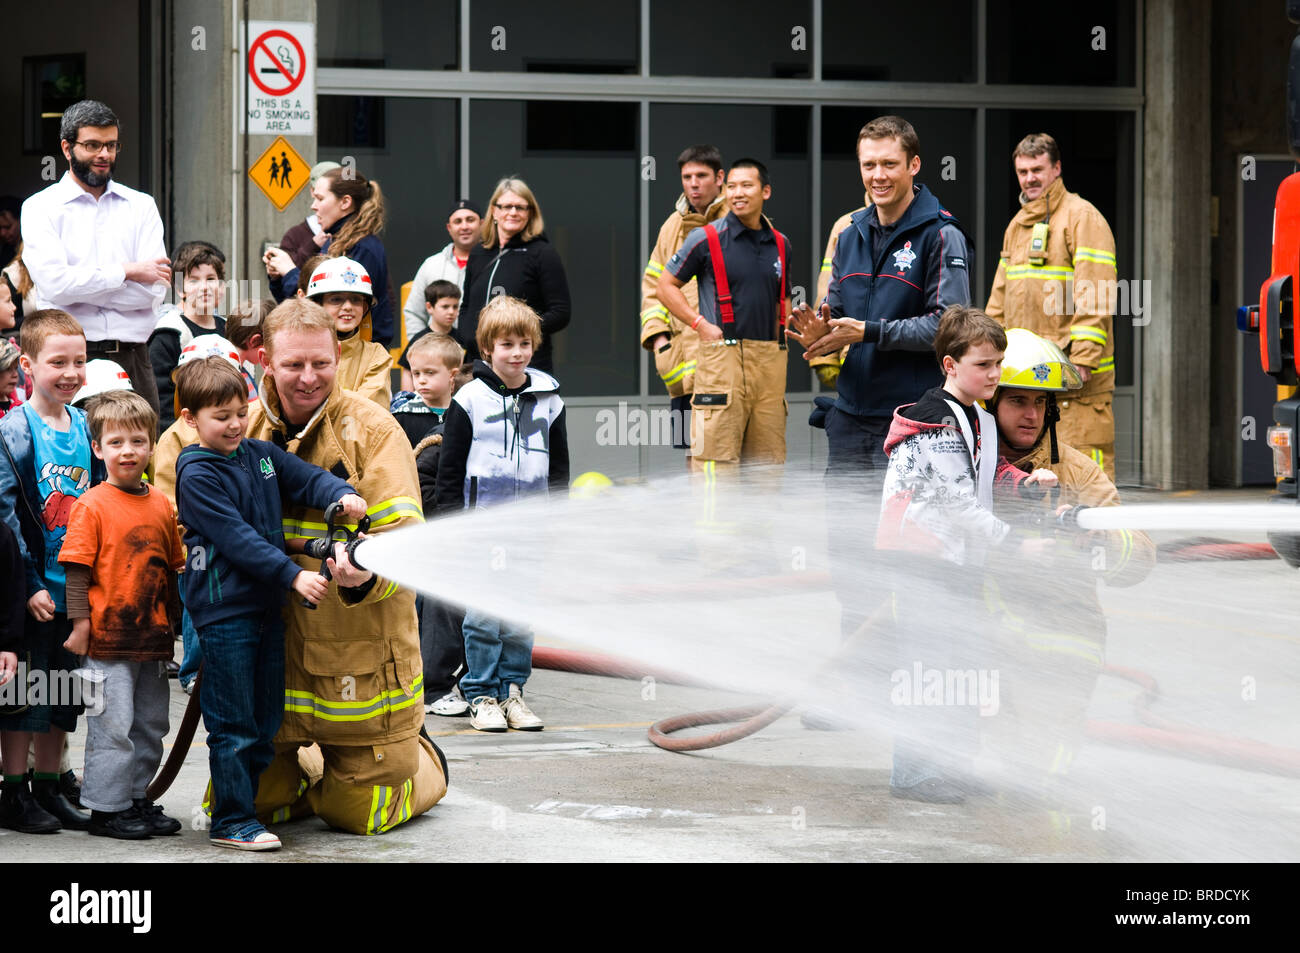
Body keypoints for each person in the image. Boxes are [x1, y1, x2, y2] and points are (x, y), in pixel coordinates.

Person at [244, 298, 447, 835]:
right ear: (266, 359)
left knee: (355, 813)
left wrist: (370, 571)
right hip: (272, 660)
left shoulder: (375, 432)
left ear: (338, 353)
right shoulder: (237, 428)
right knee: (249, 800)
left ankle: (423, 761)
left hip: (358, 657)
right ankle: (302, 767)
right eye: (293, 365)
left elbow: (407, 541)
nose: (308, 378)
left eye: (321, 362)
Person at [173, 354, 367, 850]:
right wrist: (292, 577)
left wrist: (342, 494)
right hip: (224, 615)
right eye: (221, 416)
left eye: (241, 411)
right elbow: (236, 538)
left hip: (263, 609)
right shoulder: (197, 473)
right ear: (191, 419)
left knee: (264, 721)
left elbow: (305, 478)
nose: (236, 423)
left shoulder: (259, 455)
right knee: (234, 724)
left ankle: (248, 811)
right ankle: (231, 821)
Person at [876, 306, 1056, 803]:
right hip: (923, 562)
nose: (995, 374)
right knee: (928, 669)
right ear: (950, 366)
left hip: (957, 562)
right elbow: (956, 502)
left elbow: (987, 475)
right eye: (983, 365)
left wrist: (1025, 483)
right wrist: (1017, 543)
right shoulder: (935, 421)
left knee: (961, 667)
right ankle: (912, 776)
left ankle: (951, 767)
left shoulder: (978, 418)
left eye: (998, 363)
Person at [984, 329, 1154, 792]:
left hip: (1062, 638)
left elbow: (1139, 555)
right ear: (990, 404)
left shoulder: (1076, 470)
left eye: (1040, 403)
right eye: (1017, 401)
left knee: (1041, 775)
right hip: (985, 638)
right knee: (984, 771)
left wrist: (1095, 540)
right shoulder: (968, 464)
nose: (1031, 414)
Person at [788, 115, 972, 477]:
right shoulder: (850, 233)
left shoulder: (942, 234)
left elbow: (950, 330)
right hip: (851, 417)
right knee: (845, 531)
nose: (878, 175)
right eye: (869, 165)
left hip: (914, 419)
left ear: (913, 165)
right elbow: (839, 313)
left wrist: (869, 331)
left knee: (902, 533)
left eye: (889, 164)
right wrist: (821, 334)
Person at [435, 296, 569, 732]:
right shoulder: (468, 399)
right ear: (487, 349)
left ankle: (513, 692)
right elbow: (449, 470)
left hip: (529, 529)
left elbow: (560, 470)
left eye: (525, 343)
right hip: (481, 530)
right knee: (482, 616)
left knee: (518, 614)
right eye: (507, 343)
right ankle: (481, 694)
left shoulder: (550, 398)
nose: (517, 353)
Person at [58, 390, 184, 839]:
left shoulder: (162, 506)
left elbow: (172, 570)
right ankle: (105, 810)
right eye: (115, 443)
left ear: (152, 445)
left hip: (152, 643)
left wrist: (176, 625)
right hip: (104, 644)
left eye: (136, 441)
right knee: (111, 728)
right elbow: (77, 571)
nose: (127, 451)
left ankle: (136, 799)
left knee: (151, 725)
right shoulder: (91, 504)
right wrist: (79, 626)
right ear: (98, 449)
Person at [0, 309, 100, 833]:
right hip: (32, 590)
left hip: (76, 591)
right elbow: (5, 515)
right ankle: (13, 791)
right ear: (28, 365)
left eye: (79, 361)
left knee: (63, 694)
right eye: (57, 361)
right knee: (23, 696)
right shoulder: (13, 431)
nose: (70, 372)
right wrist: (31, 586)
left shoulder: (85, 425)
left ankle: (46, 786)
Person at [21, 100, 170, 415]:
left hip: (133, 358)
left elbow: (155, 291)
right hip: (69, 361)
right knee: (66, 459)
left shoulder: (141, 206)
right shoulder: (40, 208)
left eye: (111, 145)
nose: (104, 154)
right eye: (92, 145)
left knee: (139, 460)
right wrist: (128, 271)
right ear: (67, 147)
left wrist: (82, 286)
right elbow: (56, 285)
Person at [985, 133, 1118, 479]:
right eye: (1022, 171)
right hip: (1028, 381)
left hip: (1076, 384)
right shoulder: (1017, 226)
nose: (1030, 178)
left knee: (1084, 478)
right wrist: (987, 353)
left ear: (1056, 169)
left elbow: (1096, 290)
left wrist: (1085, 359)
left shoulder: (1082, 217)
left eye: (1037, 169)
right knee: (1038, 479)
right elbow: (999, 298)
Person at [656, 158, 791, 470]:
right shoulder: (705, 238)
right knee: (714, 466)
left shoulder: (782, 244)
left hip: (769, 367)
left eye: (746, 185)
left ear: (765, 191)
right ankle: (713, 522)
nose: (737, 193)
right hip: (721, 365)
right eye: (731, 186)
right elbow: (665, 287)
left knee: (767, 467)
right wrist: (700, 324)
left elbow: (781, 302)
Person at [640, 146, 729, 450]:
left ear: (720, 177)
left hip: (727, 367)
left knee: (732, 457)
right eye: (687, 176)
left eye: (701, 175)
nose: (693, 183)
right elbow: (652, 288)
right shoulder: (671, 227)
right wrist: (660, 342)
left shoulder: (741, 222)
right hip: (681, 367)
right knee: (692, 453)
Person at [262, 167, 394, 347]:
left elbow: (328, 306)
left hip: (356, 354)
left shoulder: (362, 247)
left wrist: (290, 271)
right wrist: (278, 278)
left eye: (320, 198)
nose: (313, 206)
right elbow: (302, 306)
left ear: (345, 202)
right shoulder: (337, 240)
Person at [459, 177, 571, 374]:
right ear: (494, 211)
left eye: (520, 207)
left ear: (530, 213)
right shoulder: (479, 252)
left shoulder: (542, 253)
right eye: (506, 206)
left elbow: (561, 312)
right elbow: (466, 305)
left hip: (525, 366)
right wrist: (467, 337)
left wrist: (516, 333)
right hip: (478, 364)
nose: (513, 212)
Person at [149, 241, 227, 431]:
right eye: (193, 280)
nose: (204, 287)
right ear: (179, 289)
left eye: (211, 279)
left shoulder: (228, 329)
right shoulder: (167, 334)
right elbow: (162, 401)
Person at [303, 257, 391, 407]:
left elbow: (369, 411)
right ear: (317, 305)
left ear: (365, 307)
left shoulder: (376, 356)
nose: (348, 307)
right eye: (336, 299)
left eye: (356, 300)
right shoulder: (296, 350)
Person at [403, 200, 482, 341]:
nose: (464, 226)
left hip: (479, 353)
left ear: (482, 224)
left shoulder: (492, 262)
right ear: (449, 227)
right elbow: (414, 312)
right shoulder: (431, 264)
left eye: (470, 220)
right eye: (458, 221)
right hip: (437, 356)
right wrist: (423, 348)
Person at [391, 332, 462, 448]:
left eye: (430, 372)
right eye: (416, 373)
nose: (421, 380)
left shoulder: (463, 414)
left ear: (452, 374)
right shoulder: (402, 416)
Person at [277, 161, 342, 270]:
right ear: (312, 191)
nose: (314, 206)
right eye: (320, 196)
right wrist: (312, 246)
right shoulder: (294, 236)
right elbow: (283, 280)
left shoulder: (355, 237)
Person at [398, 279, 460, 391]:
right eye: (445, 306)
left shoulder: (462, 339)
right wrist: (407, 399)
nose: (451, 311)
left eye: (455, 307)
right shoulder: (419, 339)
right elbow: (408, 372)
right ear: (429, 307)